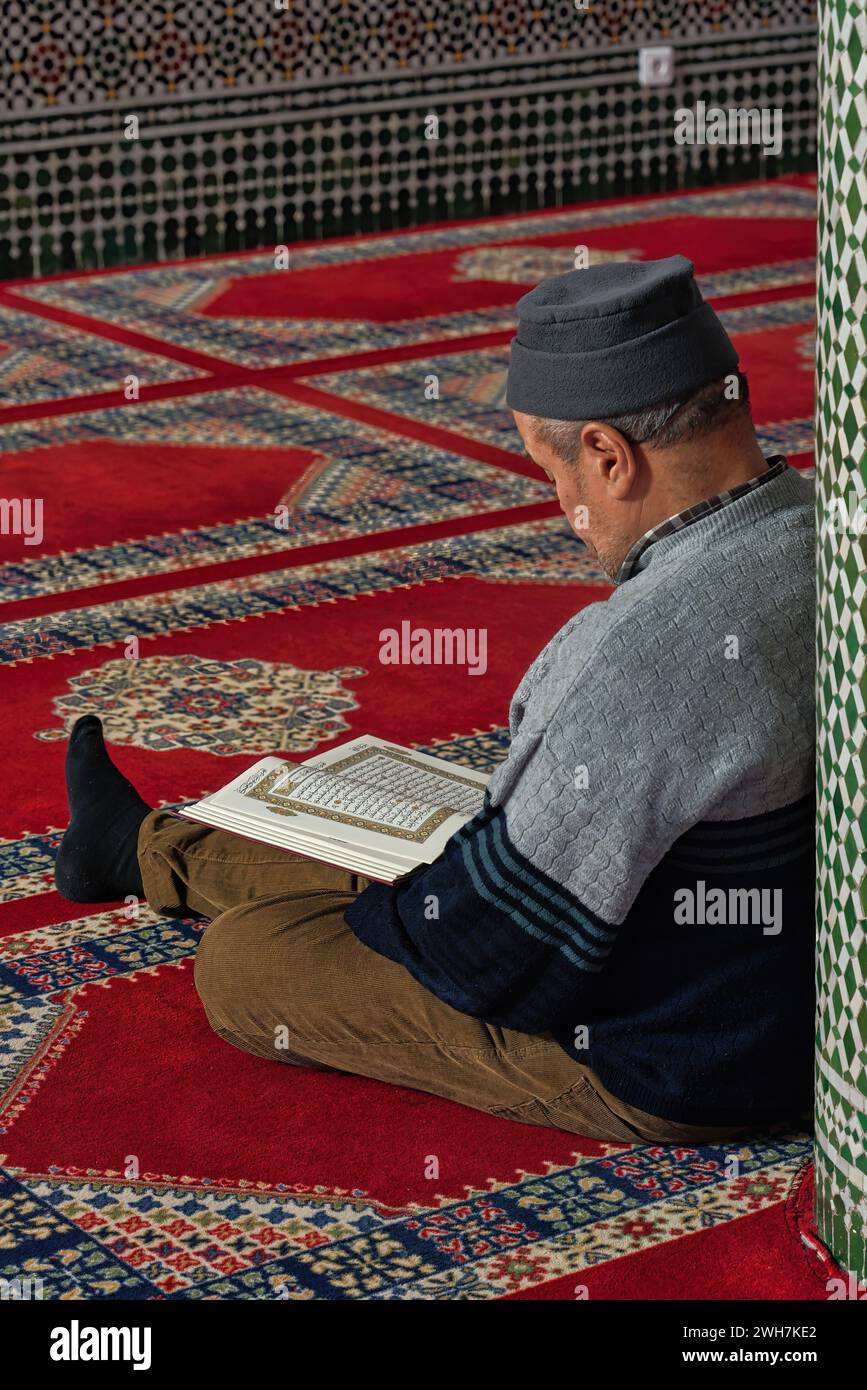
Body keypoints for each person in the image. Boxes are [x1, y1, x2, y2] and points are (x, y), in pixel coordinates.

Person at [55, 255, 815, 1143]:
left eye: (554, 474)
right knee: (429, 870)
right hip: (789, 987)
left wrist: (403, 910)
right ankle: (133, 848)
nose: (563, 502)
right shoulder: (830, 538)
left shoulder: (635, 653)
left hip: (691, 1056)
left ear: (607, 455)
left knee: (249, 962)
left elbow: (493, 954)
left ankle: (165, 865)